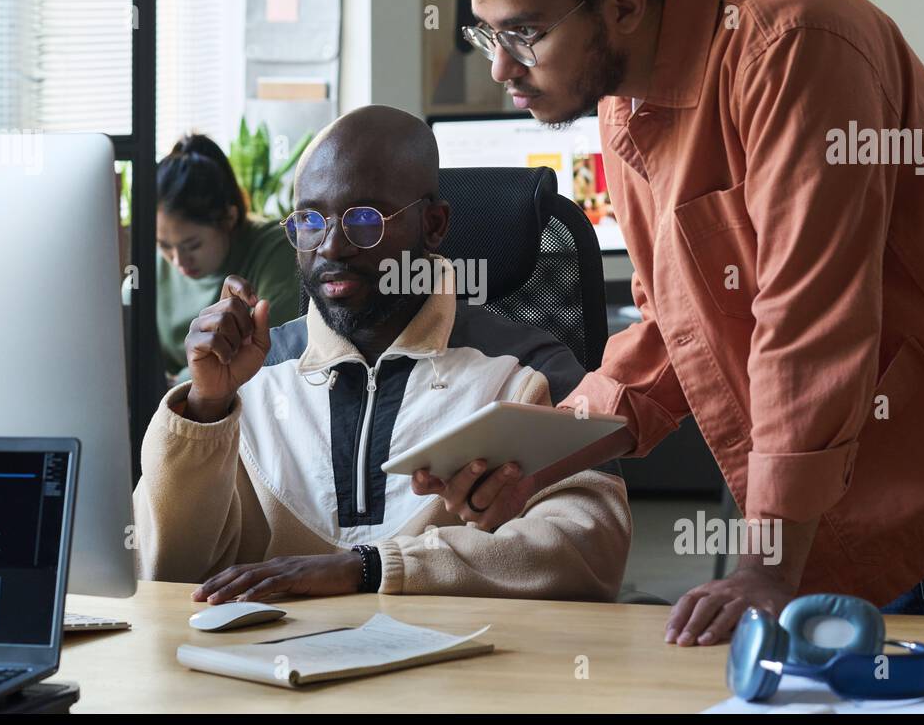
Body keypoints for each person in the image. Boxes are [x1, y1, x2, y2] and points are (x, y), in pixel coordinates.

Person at [426, 0, 924, 640]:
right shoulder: (621, 101)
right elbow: (679, 327)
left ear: (626, 6)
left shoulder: (794, 45)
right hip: (860, 472)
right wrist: (537, 450)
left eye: (524, 35)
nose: (501, 68)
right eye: (484, 34)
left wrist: (767, 562)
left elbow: (812, 314)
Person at [131, 105, 631, 603]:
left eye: (364, 220)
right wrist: (205, 408)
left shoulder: (528, 371)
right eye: (309, 220)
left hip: (462, 670)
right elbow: (164, 570)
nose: (331, 247)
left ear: (433, 225)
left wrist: (371, 568)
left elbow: (591, 547)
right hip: (274, 668)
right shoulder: (248, 379)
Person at [132, 134, 300, 384]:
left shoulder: (276, 252)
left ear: (229, 219)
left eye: (193, 245)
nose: (178, 260)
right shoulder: (152, 267)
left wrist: (176, 383)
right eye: (164, 246)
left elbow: (266, 353)